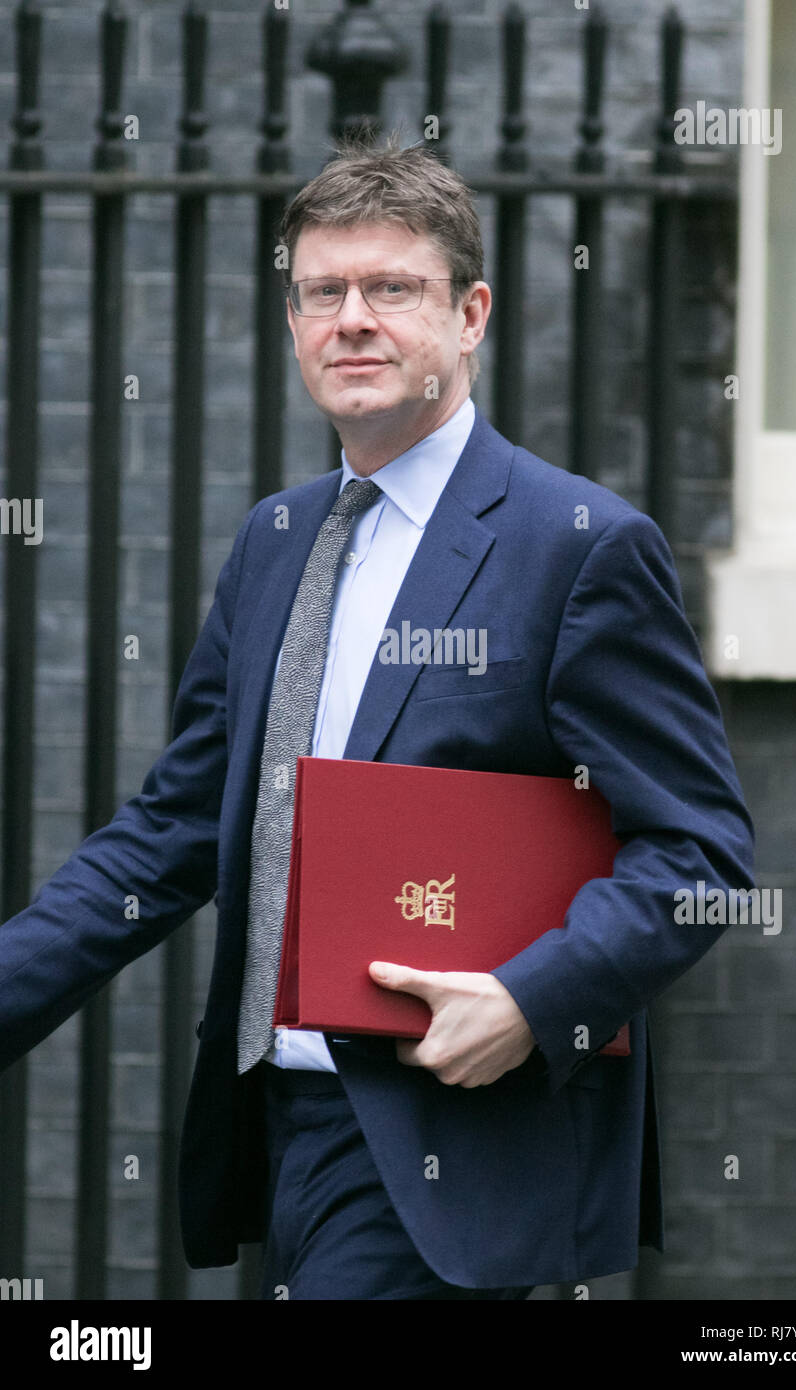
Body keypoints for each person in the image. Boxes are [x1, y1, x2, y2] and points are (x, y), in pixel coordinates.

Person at [0, 135, 754, 1301]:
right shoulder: (275, 542)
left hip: (446, 1140)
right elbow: (172, 830)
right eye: (320, 292)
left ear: (469, 315)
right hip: (277, 1130)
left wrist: (529, 999)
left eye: (390, 288)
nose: (351, 318)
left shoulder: (579, 549)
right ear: (295, 321)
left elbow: (699, 854)